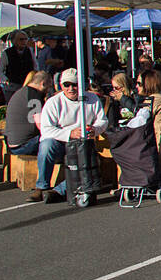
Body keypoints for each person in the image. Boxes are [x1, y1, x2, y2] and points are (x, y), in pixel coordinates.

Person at [31, 68, 107, 203]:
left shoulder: (92, 98)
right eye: (67, 85)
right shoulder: (53, 102)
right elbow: (46, 129)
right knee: (46, 146)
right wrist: (69, 133)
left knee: (90, 163)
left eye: (75, 84)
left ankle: (58, 191)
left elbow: (103, 120)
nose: (71, 88)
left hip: (83, 143)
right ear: (61, 86)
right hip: (60, 142)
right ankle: (41, 186)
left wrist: (95, 129)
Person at [5, 71, 50, 157]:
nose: (48, 90)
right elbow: (41, 125)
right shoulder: (34, 96)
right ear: (43, 83)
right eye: (49, 86)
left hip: (13, 145)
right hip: (24, 145)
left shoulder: (22, 92)